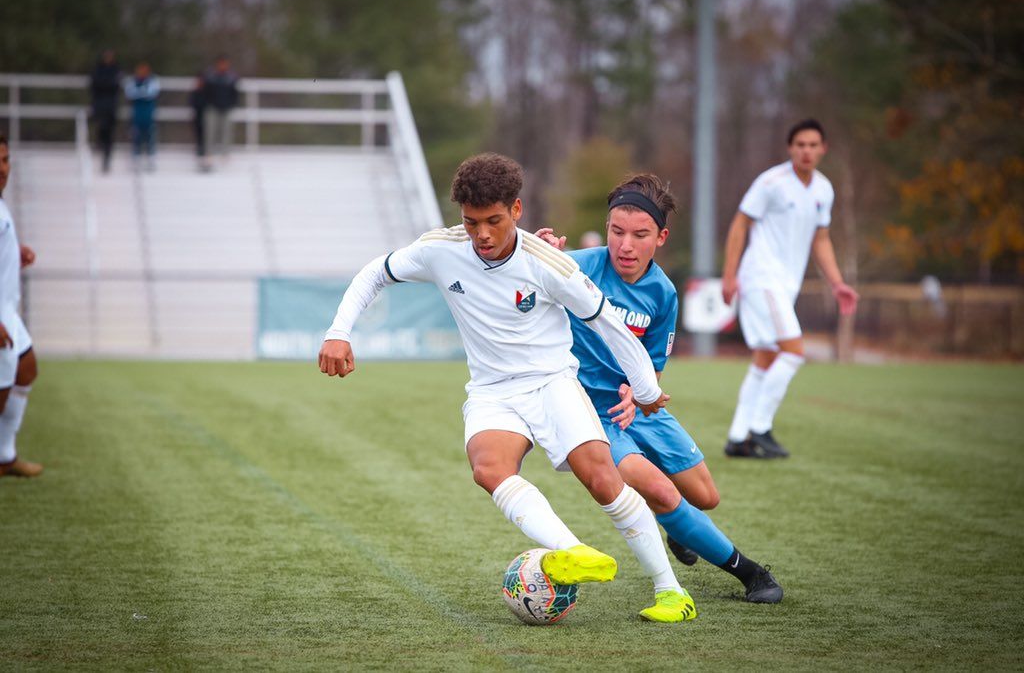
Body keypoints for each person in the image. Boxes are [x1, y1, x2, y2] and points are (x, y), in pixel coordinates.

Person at [320, 153, 697, 623]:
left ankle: (670, 592)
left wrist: (643, 386)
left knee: (602, 478)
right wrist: (339, 331)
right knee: (488, 467)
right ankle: (572, 551)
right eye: (471, 221)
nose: (481, 234)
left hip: (552, 382)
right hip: (493, 390)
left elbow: (606, 321)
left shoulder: (547, 264)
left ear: (516, 211)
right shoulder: (442, 248)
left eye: (493, 221)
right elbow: (376, 271)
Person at [535, 174, 783, 603]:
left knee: (705, 496)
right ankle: (751, 573)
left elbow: (653, 365)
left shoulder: (663, 293)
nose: (624, 245)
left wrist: (637, 391)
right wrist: (540, 250)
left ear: (661, 237)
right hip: (588, 413)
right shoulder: (578, 267)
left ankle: (677, 527)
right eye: (616, 232)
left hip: (638, 404)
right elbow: (523, 269)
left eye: (639, 234)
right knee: (662, 491)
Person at [721, 119, 859, 458]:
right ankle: (761, 428)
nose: (806, 151)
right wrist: (729, 274)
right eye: (800, 144)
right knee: (794, 352)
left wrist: (838, 283)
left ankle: (738, 437)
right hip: (761, 278)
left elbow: (821, 238)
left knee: (767, 357)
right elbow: (740, 224)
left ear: (823, 148)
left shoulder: (824, 190)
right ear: (790, 148)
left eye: (813, 145)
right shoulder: (771, 182)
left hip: (785, 284)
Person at [0, 134, 42, 478]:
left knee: (26, 369)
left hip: (7, 311)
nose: (2, 169)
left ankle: (5, 456)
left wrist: (16, 251)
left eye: (5, 159)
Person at [202, 55, 240, 166]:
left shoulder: (232, 77)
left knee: (227, 132)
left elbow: (235, 94)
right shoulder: (210, 77)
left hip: (227, 108)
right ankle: (208, 154)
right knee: (210, 131)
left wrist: (232, 104)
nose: (222, 66)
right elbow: (205, 92)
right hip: (213, 107)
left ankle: (225, 154)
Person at [123, 62, 160, 172]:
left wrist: (140, 93)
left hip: (149, 114)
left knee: (150, 136)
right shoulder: (133, 81)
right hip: (137, 114)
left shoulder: (153, 80)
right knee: (136, 136)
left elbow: (152, 93)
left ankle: (151, 158)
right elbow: (131, 93)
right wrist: (142, 93)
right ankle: (136, 158)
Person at [89, 49, 120, 173]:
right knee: (100, 129)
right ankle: (100, 150)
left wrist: (105, 84)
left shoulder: (116, 70)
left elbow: (115, 86)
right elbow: (94, 85)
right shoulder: (98, 69)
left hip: (111, 107)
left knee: (109, 133)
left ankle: (107, 158)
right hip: (100, 106)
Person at [189, 73, 209, 171]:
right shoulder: (195, 92)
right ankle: (200, 159)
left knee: (207, 139)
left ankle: (206, 160)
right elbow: (192, 103)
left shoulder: (208, 93)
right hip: (198, 119)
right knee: (199, 139)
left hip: (207, 120)